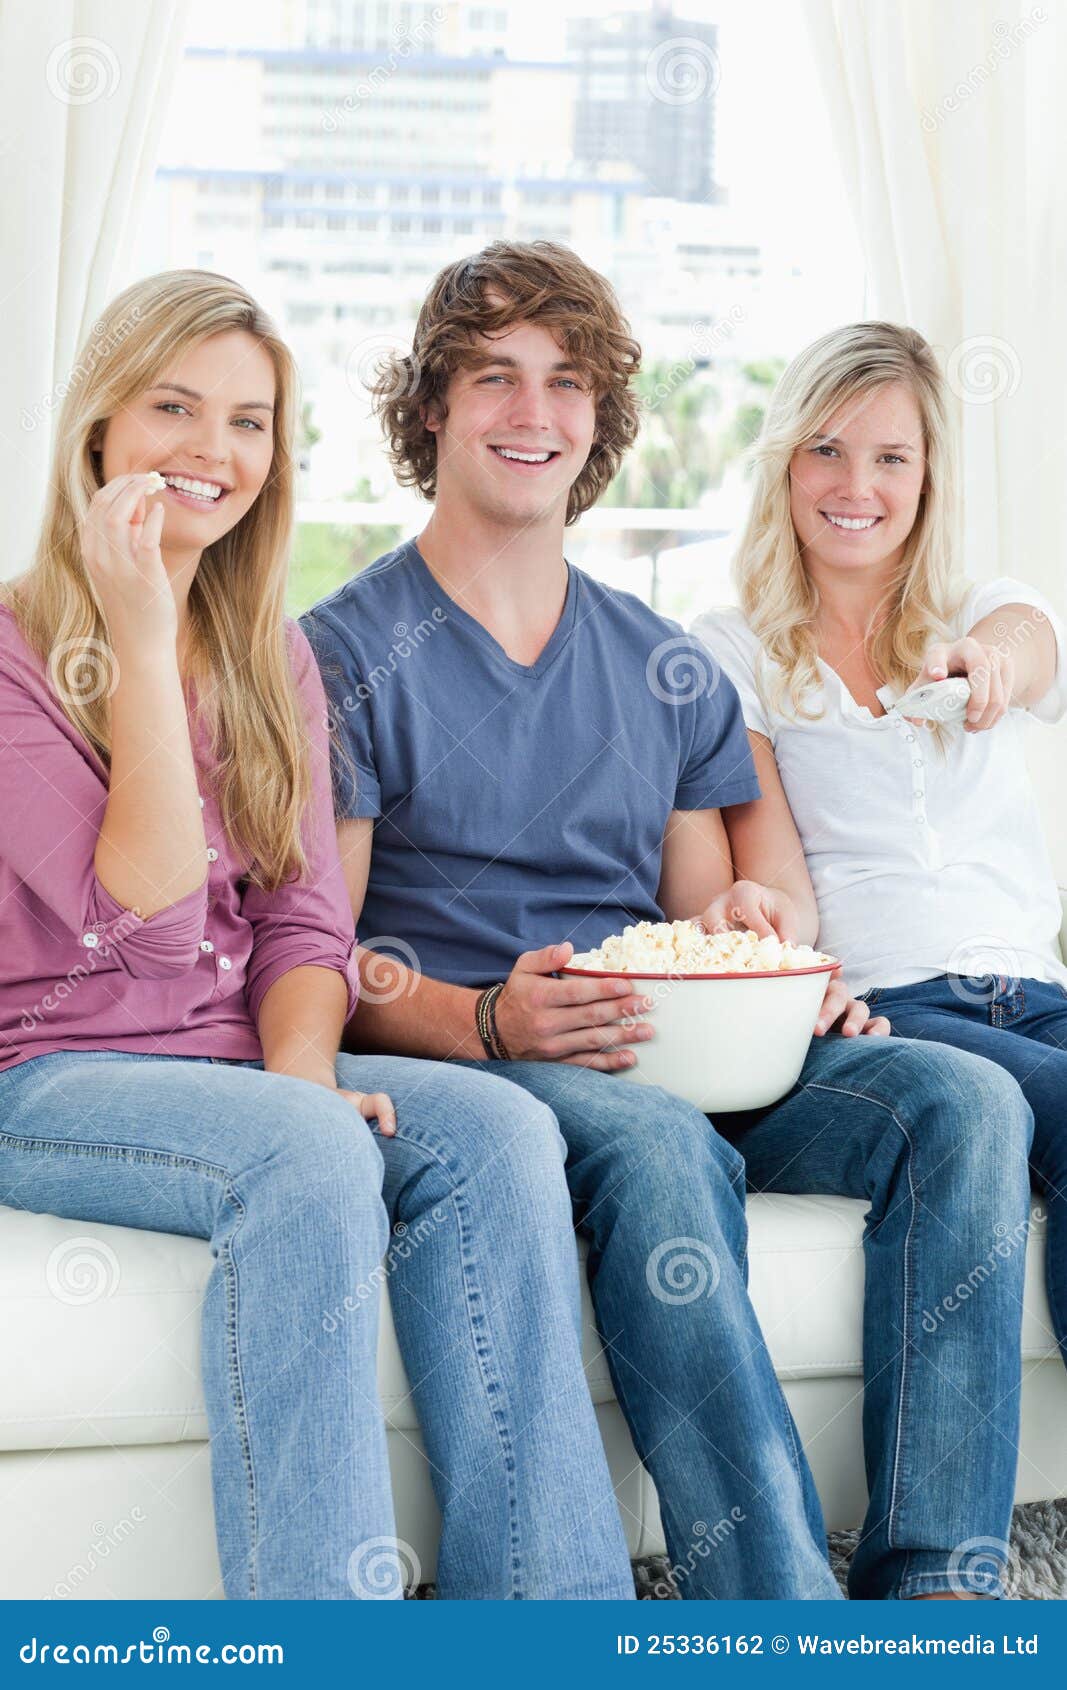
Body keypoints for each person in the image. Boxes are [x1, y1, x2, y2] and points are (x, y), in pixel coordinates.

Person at [302, 241, 1032, 1599]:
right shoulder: (341, 653)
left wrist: (762, 934)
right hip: (486, 1054)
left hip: (664, 1042)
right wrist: (481, 1013)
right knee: (656, 1141)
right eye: (495, 379)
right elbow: (320, 957)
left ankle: (934, 1584)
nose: (535, 413)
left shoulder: (662, 663)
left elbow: (709, 912)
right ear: (429, 411)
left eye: (567, 382)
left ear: (601, 420)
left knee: (963, 1100)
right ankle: (777, 1614)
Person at [0, 269, 635, 1601]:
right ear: (98, 429)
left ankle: (542, 1620)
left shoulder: (270, 655)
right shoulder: (13, 652)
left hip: (234, 1070)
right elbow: (156, 922)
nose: (213, 449)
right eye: (174, 406)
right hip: (45, 1076)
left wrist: (307, 1078)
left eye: (248, 422)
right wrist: (135, 619)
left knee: (498, 1127)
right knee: (301, 1145)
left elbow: (304, 925)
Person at [692, 320, 1059, 1599]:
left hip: (1035, 985)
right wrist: (773, 945)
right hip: (890, 1006)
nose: (857, 486)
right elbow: (770, 870)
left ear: (926, 474)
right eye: (828, 451)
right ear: (785, 462)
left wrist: (987, 671)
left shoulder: (970, 613)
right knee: (1031, 1104)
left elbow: (1031, 639)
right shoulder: (732, 648)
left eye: (889, 457)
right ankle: (930, 1592)